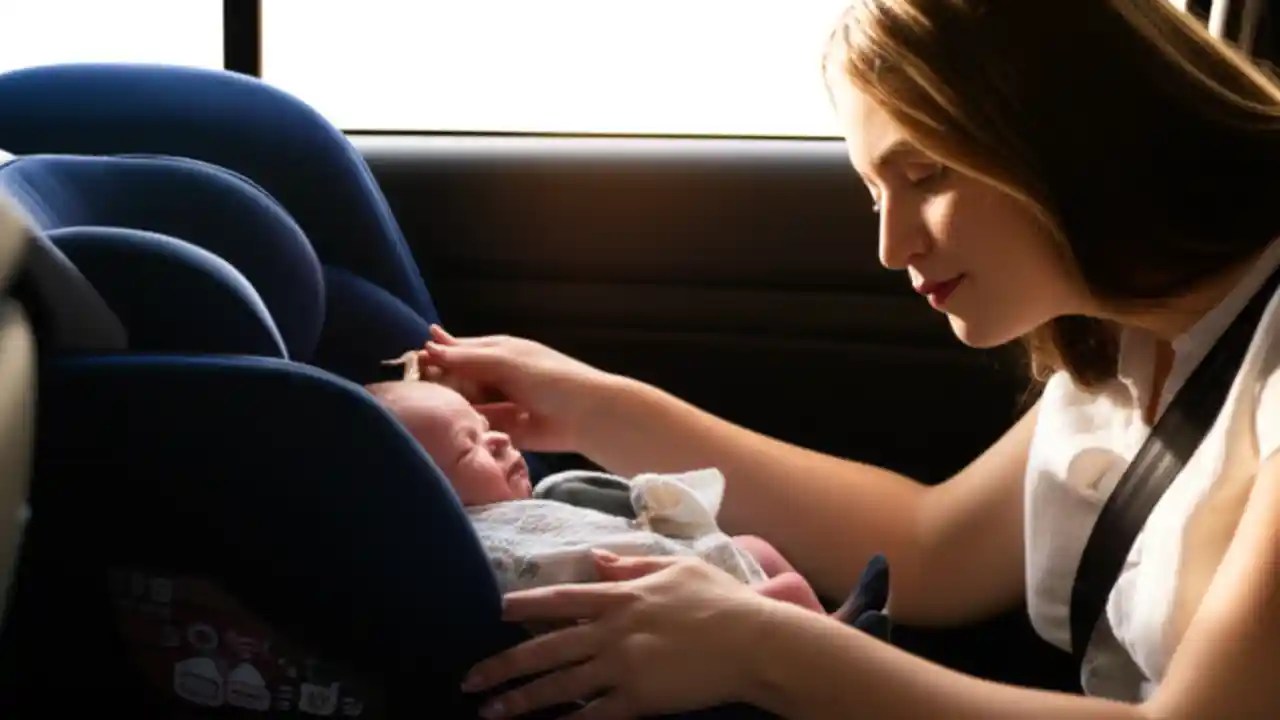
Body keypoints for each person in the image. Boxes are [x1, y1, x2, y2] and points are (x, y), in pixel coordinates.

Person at [419, 1, 1280, 718]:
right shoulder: (1133, 337)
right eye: (874, 192)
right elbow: (931, 546)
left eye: (926, 175)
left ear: (1066, 131)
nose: (889, 243)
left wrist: (762, 647)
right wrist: (595, 409)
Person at [364, 371, 829, 615]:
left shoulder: (540, 503)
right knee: (783, 592)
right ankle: (834, 643)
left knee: (756, 549)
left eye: (484, 427)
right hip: (679, 608)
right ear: (425, 500)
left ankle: (834, 634)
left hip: (687, 573)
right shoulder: (477, 554)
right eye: (469, 450)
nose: (500, 439)